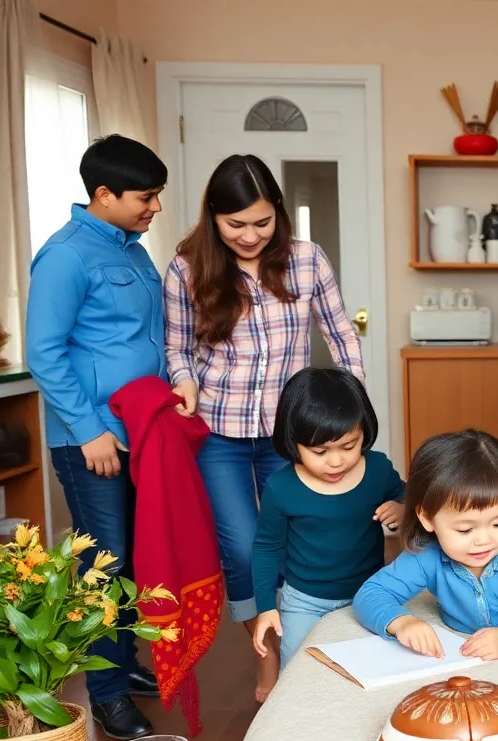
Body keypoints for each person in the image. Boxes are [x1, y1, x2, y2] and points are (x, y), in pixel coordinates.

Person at [164, 154, 364, 700]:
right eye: (235, 225)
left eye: (261, 222)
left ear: (277, 212)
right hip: (219, 432)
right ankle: (267, 652)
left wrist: (353, 407)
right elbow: (177, 348)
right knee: (246, 548)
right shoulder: (188, 268)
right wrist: (182, 379)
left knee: (294, 541)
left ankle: (310, 643)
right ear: (213, 218)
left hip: (288, 433)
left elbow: (342, 335)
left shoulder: (306, 260)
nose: (250, 236)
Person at [25, 135, 171, 740]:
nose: (155, 207)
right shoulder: (65, 255)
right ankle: (106, 696)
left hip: (142, 430)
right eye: (147, 196)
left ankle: (124, 665)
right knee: (101, 571)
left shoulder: (133, 250)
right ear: (104, 195)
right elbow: (44, 352)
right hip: (94, 442)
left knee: (133, 560)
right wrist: (89, 432)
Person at [354, 430, 498, 661]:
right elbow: (371, 593)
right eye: (465, 530)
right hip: (458, 649)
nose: (483, 540)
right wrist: (401, 622)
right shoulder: (426, 552)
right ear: (427, 518)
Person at [250, 368, 403, 670]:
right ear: (294, 442)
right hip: (304, 602)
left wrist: (402, 509)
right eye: (320, 451)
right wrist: (266, 607)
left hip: (368, 594)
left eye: (349, 446)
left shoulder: (377, 469)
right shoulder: (281, 488)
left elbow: (409, 498)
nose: (336, 461)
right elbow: (266, 549)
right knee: (298, 673)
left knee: (370, 669)